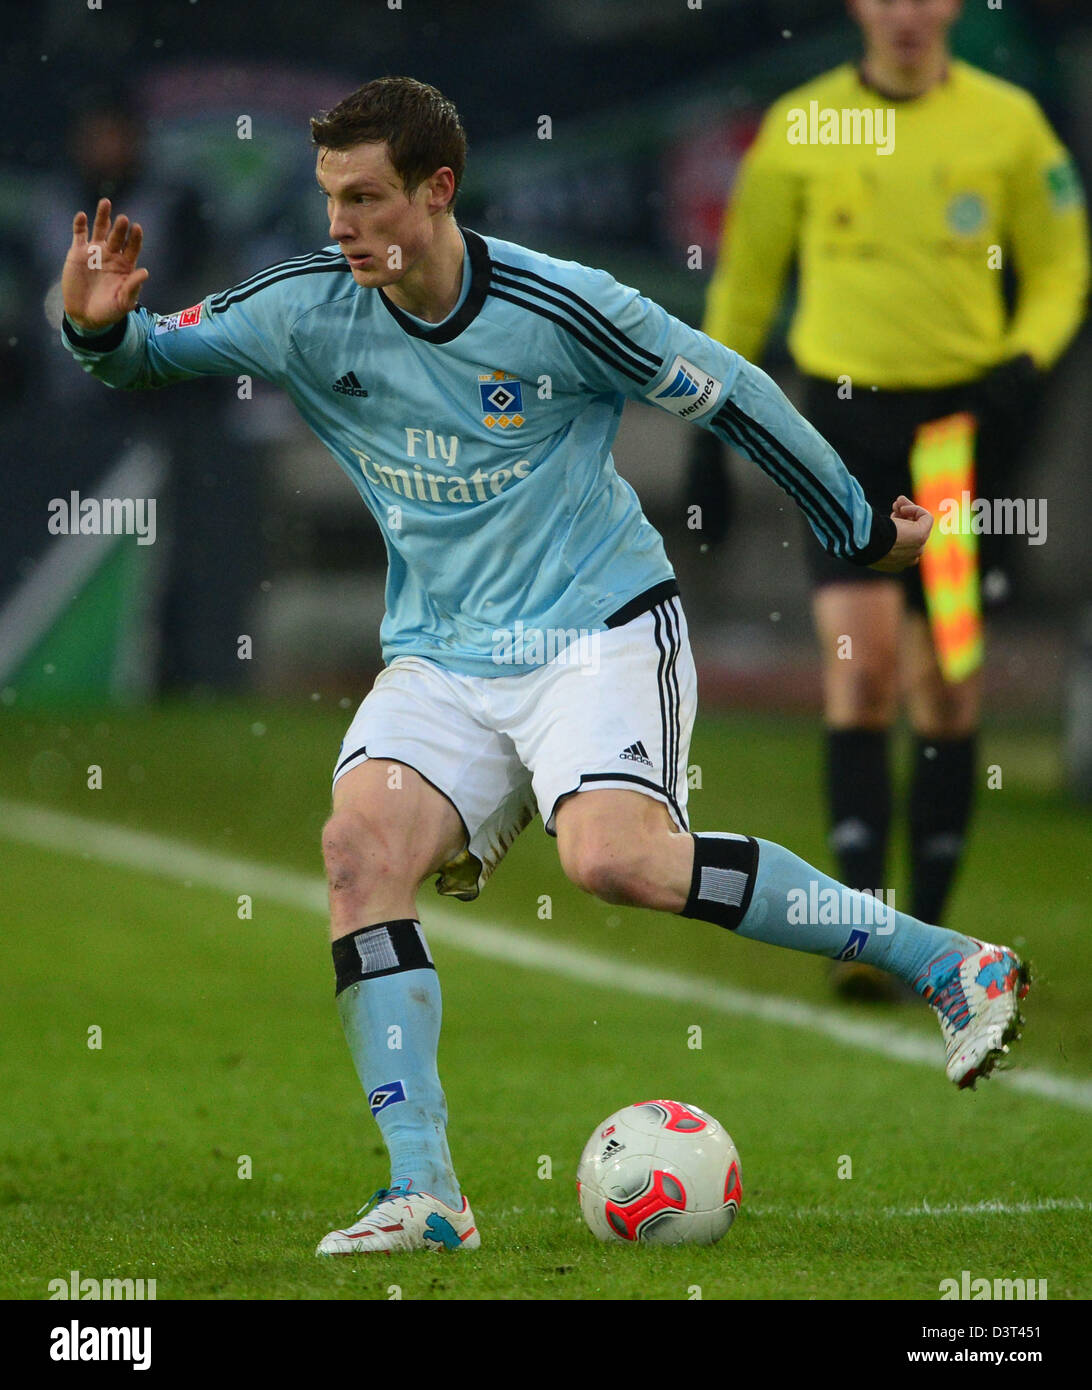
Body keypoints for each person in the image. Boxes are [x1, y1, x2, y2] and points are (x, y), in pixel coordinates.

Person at [61, 76, 1030, 1257]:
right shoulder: (306, 308)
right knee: (356, 851)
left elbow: (735, 393)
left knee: (616, 861)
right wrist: (100, 327)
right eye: (329, 198)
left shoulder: (563, 307)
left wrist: (859, 527)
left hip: (598, 630)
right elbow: (148, 359)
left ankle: (954, 963)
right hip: (443, 652)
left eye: (365, 198)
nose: (341, 225)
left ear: (438, 190)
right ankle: (426, 1194)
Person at [692, 0, 1089, 1000]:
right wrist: (708, 429)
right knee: (860, 672)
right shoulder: (805, 124)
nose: (907, 14)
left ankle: (934, 930)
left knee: (947, 689)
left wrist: (1026, 361)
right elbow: (745, 283)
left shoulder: (1007, 123)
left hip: (960, 441)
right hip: (845, 435)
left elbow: (1063, 266)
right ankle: (867, 930)